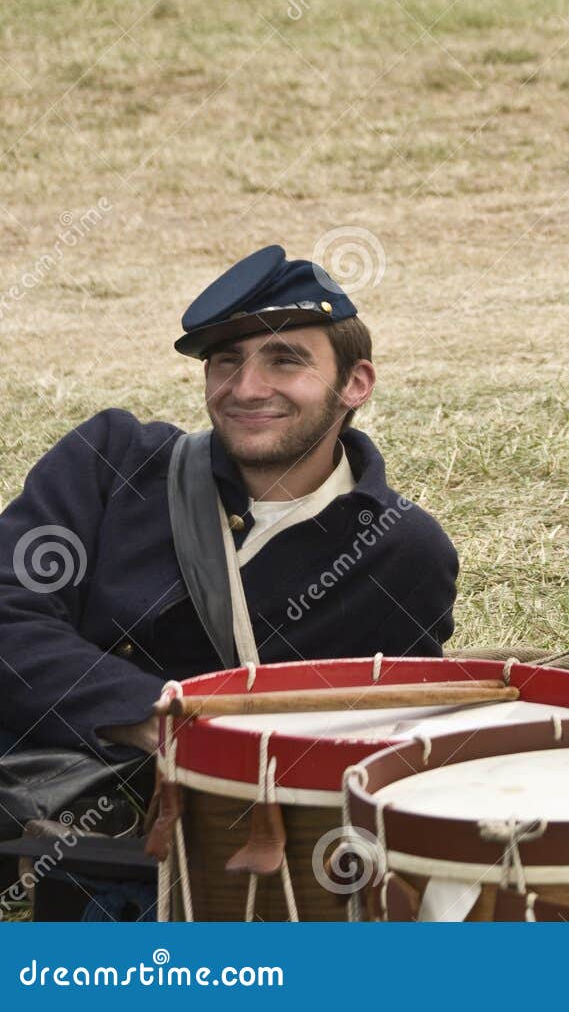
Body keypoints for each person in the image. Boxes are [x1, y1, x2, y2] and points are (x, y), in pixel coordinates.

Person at [0, 244, 458, 789]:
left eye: (285, 360)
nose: (245, 389)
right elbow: (9, 612)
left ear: (355, 383)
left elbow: (381, 739)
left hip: (195, 848)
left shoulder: (399, 550)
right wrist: (153, 716)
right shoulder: (112, 461)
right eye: (227, 361)